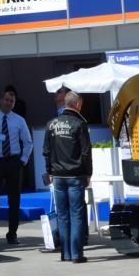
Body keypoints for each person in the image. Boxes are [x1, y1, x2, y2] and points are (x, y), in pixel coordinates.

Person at [0, 86, 32, 246]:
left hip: (13, 162)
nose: (9, 103)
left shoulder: (19, 120)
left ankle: (12, 234)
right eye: (6, 100)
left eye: (12, 101)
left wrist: (22, 160)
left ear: (14, 104)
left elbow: (28, 142)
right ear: (1, 101)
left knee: (14, 200)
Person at [43, 89, 91, 263]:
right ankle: (77, 254)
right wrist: (88, 173)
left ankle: (66, 253)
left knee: (63, 215)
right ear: (77, 104)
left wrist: (49, 172)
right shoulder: (80, 124)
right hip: (76, 175)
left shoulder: (51, 124)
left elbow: (46, 151)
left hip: (58, 177)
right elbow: (86, 152)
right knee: (77, 214)